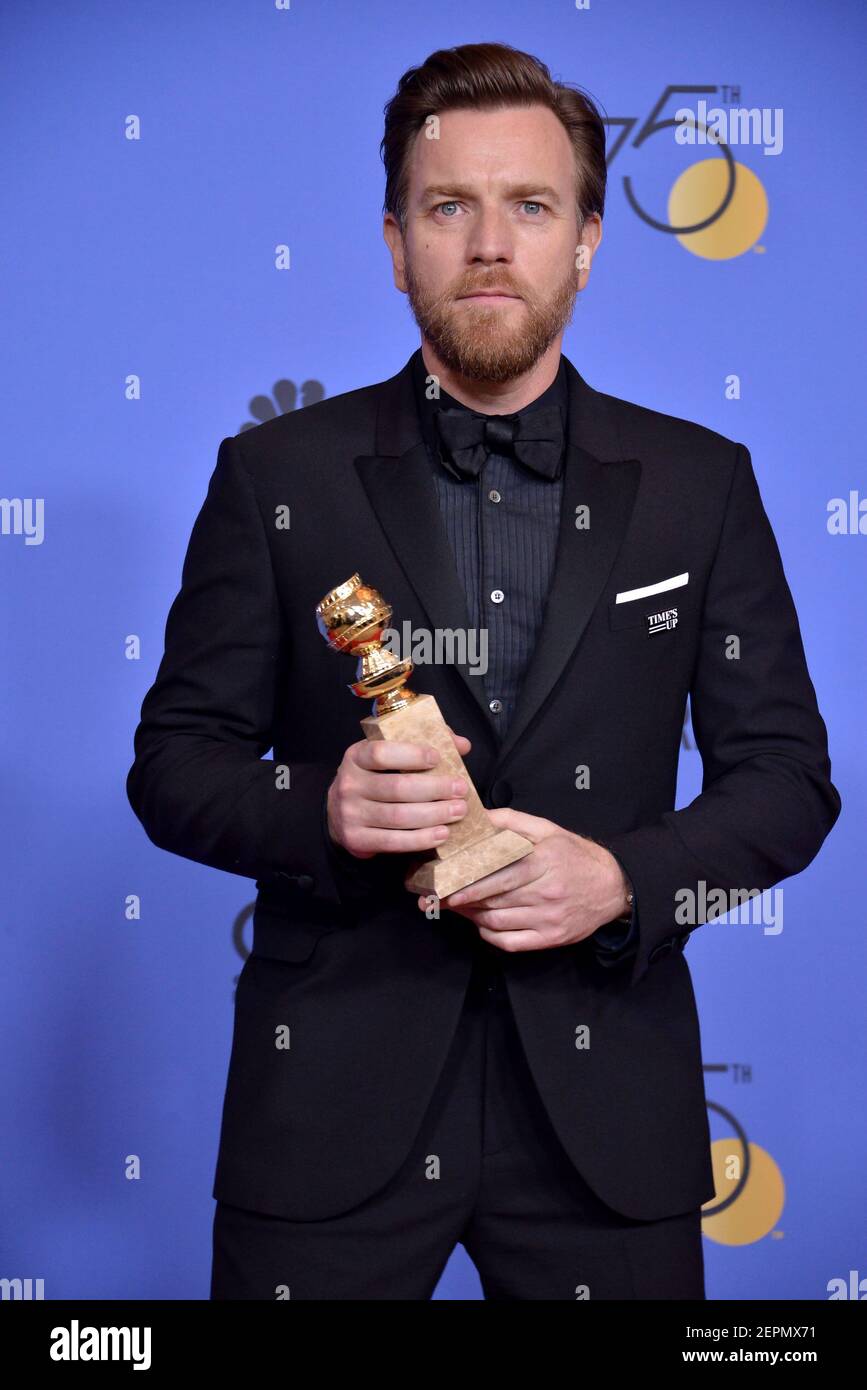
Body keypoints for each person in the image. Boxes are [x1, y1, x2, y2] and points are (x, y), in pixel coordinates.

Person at [126, 42, 840, 1300]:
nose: (491, 244)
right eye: (450, 206)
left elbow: (787, 780)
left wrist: (623, 877)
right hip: (326, 1114)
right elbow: (175, 765)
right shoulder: (275, 478)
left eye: (532, 205)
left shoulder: (700, 484)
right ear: (397, 241)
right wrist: (325, 811)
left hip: (606, 1122)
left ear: (590, 240)